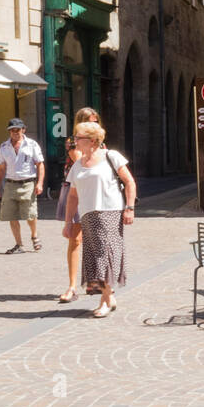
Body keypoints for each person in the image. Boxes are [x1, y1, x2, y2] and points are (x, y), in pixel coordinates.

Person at [63, 121, 136, 318]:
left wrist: (129, 208)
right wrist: (68, 221)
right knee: (95, 257)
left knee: (106, 254)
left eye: (78, 138)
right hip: (88, 215)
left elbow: (129, 182)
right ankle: (108, 297)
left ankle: (106, 299)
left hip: (109, 212)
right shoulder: (77, 165)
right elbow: (72, 196)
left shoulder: (111, 157)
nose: (74, 141)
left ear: (93, 141)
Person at [58, 106, 102, 303]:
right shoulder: (73, 142)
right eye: (90, 121)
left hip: (96, 192)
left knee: (96, 239)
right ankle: (72, 286)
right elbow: (82, 162)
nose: (94, 124)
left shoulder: (101, 142)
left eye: (96, 121)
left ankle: (94, 281)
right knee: (75, 239)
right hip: (77, 190)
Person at [0, 117, 45, 254]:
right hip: (10, 184)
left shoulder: (32, 145)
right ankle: (19, 244)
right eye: (12, 130)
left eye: (18, 130)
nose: (15, 132)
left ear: (23, 129)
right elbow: (1, 168)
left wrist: (39, 183)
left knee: (30, 215)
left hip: (28, 183)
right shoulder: (4, 147)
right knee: (11, 216)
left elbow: (40, 164)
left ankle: (34, 235)